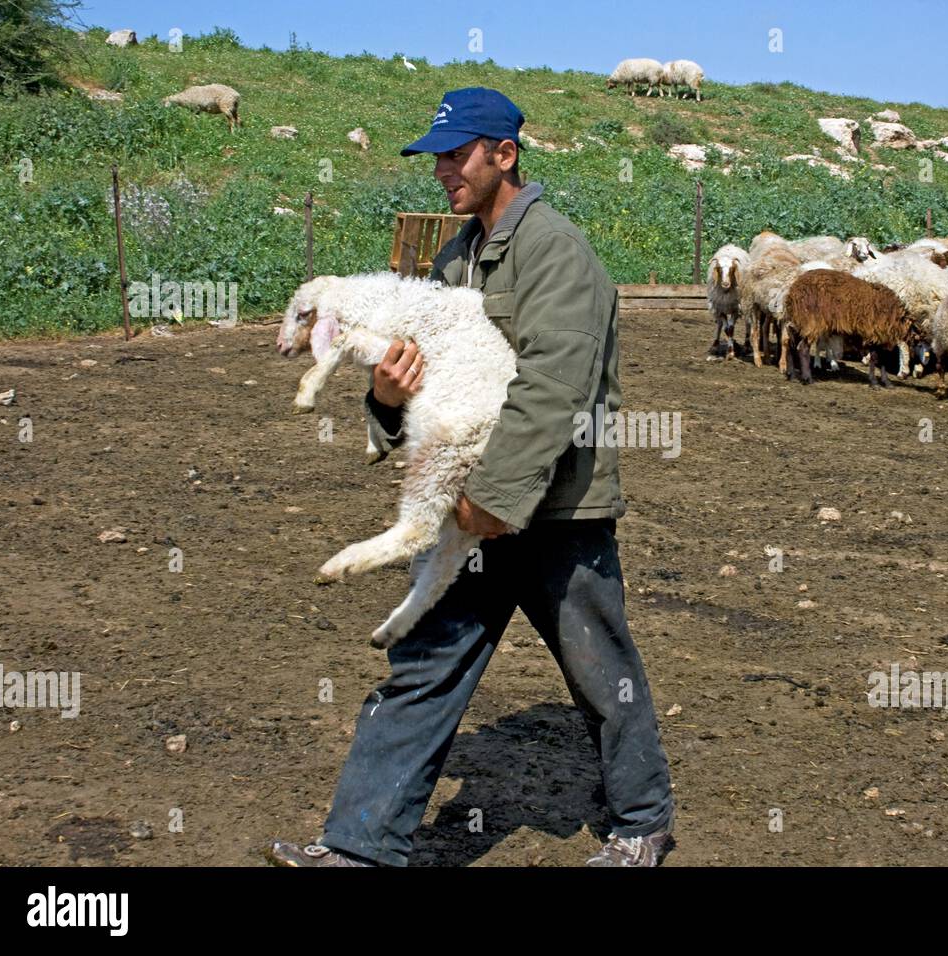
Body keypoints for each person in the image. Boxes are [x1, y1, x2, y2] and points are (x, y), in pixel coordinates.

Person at [268, 87, 674, 867]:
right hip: (471, 504)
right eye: (436, 157)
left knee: (601, 669)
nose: (442, 170)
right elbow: (441, 382)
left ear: (505, 154)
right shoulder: (458, 257)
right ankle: (359, 845)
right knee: (423, 658)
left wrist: (495, 496)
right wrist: (385, 399)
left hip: (558, 508)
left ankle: (642, 822)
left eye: (457, 154)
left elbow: (556, 385)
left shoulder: (558, 252)